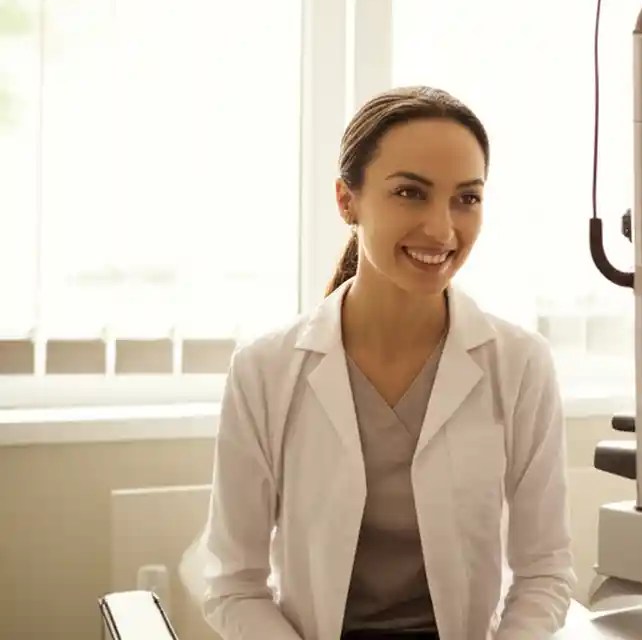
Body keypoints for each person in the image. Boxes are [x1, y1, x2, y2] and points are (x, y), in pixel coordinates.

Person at [201, 87, 575, 640]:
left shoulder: (520, 364)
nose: (443, 230)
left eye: (466, 199)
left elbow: (544, 572)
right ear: (346, 201)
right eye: (410, 193)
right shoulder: (264, 370)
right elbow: (233, 584)